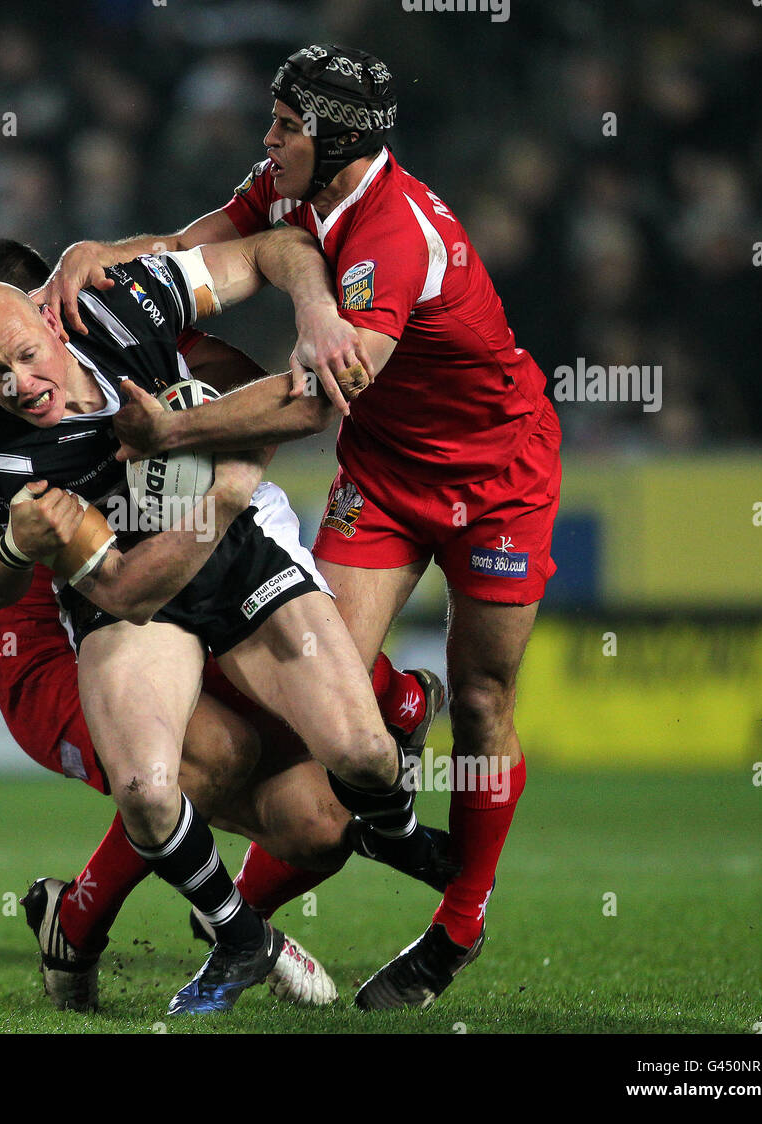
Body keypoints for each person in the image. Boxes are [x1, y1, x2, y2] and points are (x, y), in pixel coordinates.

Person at [38, 44, 560, 1009]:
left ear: (339, 139)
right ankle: (396, 717)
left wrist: (175, 429)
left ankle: (458, 923)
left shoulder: (395, 236)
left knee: (484, 700)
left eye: (285, 125)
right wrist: (95, 254)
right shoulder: (291, 185)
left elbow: (316, 402)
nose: (266, 138)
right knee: (313, 714)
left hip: (499, 473)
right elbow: (197, 249)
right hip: (389, 475)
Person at [0, 239, 456, 1012]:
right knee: (183, 772)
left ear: (50, 307)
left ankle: (390, 809)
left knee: (326, 808)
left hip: (226, 541)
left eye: (17, 351)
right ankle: (226, 931)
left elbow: (271, 280)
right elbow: (111, 585)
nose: (7, 382)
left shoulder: (117, 299)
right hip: (99, 609)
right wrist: (219, 484)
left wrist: (308, 323)